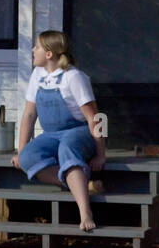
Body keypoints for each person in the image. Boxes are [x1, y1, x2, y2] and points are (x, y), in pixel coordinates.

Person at [10, 30, 106, 231]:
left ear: (49, 54)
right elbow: (29, 115)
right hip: (51, 135)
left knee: (66, 149)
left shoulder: (74, 77)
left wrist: (100, 155)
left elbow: (96, 118)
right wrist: (21, 151)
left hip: (79, 132)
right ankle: (83, 184)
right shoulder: (37, 75)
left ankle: (85, 212)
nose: (32, 50)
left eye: (36, 46)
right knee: (29, 157)